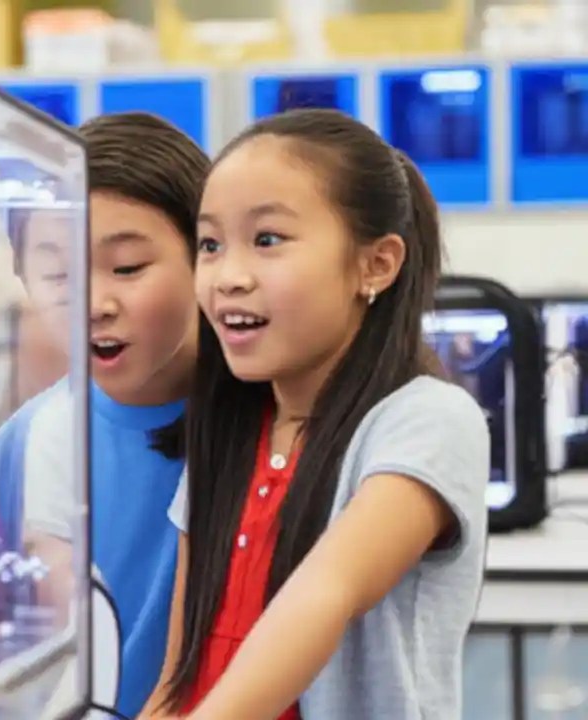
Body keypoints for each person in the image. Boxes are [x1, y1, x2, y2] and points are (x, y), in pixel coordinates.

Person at [147, 109, 488, 720]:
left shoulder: (428, 418)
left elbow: (324, 596)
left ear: (376, 265)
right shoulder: (226, 432)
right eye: (210, 244)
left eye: (268, 240)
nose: (229, 277)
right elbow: (180, 680)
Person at [0, 111, 210, 718]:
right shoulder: (23, 444)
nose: (94, 304)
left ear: (205, 256)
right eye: (60, 275)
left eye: (128, 268)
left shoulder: (269, 423)